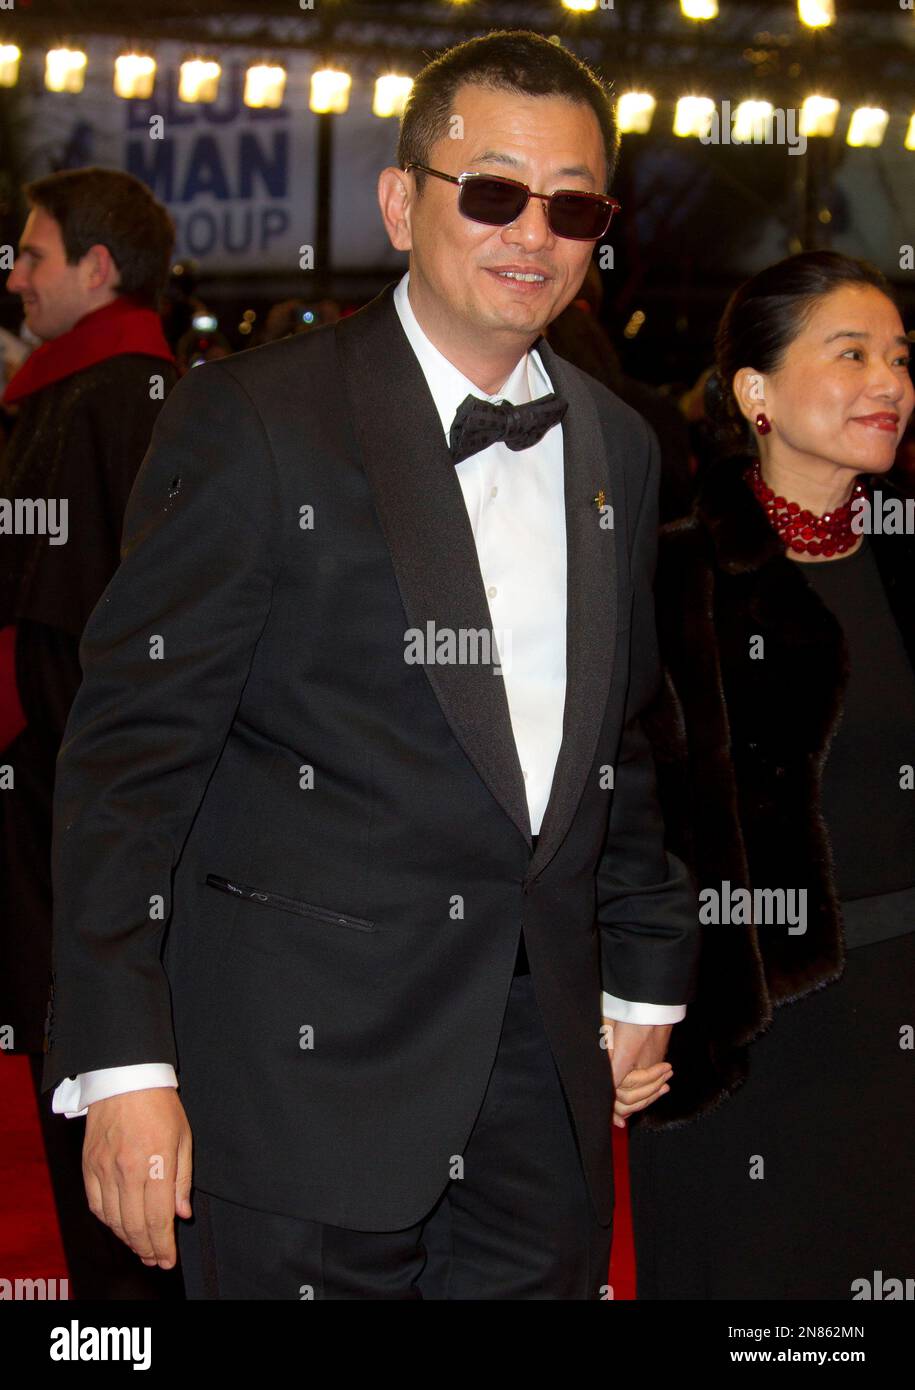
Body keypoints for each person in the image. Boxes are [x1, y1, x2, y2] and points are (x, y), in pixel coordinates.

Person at [41, 31, 698, 1301]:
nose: (533, 232)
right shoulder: (251, 418)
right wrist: (127, 1068)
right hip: (298, 1085)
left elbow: (622, 737)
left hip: (538, 1091)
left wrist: (642, 969)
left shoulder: (618, 443)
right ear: (402, 201)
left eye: (572, 204)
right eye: (494, 190)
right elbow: (129, 761)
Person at [629, 250, 915, 1299]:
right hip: (751, 1037)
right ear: (755, 390)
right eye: (851, 354)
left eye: (899, 356)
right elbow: (631, 820)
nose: (888, 381)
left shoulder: (904, 556)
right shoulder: (675, 578)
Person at [0, 166, 179, 1297]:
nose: (13, 275)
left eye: (32, 255)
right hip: (69, 805)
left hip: (78, 813)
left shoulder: (114, 400)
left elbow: (103, 645)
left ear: (98, 270)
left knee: (93, 1076)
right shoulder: (87, 393)